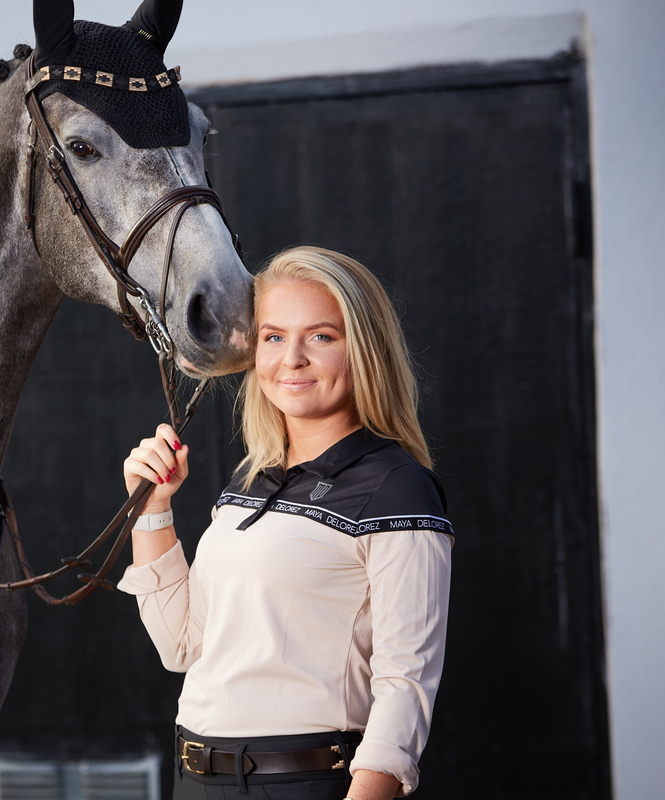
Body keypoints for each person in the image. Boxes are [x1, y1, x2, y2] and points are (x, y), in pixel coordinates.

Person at [117, 246, 453, 799]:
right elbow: (181, 645)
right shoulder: (249, 484)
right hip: (196, 780)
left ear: (363, 352)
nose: (291, 358)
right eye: (273, 336)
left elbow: (405, 686)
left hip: (304, 781)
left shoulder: (396, 487)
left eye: (321, 336)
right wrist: (153, 511)